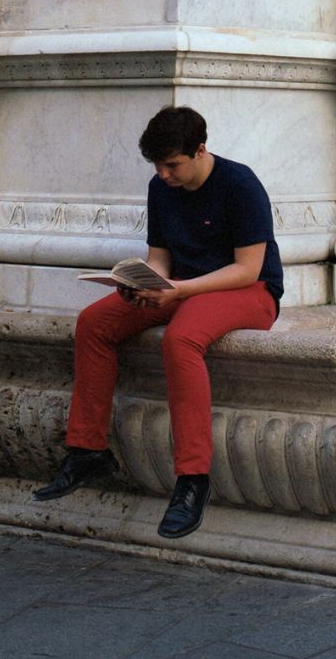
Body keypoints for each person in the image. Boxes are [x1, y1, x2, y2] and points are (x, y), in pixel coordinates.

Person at [35, 106, 285, 540]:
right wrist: (141, 284)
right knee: (95, 322)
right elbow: (160, 260)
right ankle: (87, 450)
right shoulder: (161, 187)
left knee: (181, 339)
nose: (164, 174)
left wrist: (178, 291)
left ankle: (192, 480)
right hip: (182, 286)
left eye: (172, 165)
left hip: (249, 293)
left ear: (201, 150)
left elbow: (248, 269)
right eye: (157, 165)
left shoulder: (240, 184)